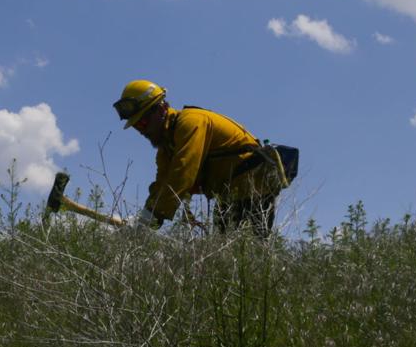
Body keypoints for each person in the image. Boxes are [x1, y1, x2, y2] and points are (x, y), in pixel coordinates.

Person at [113, 80, 286, 237]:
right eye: (136, 127)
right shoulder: (166, 148)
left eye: (143, 123)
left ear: (161, 109)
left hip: (254, 186)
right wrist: (144, 215)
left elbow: (182, 172)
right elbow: (162, 183)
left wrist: (151, 218)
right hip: (228, 194)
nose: (142, 131)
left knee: (250, 248)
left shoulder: (191, 122)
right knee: (222, 251)